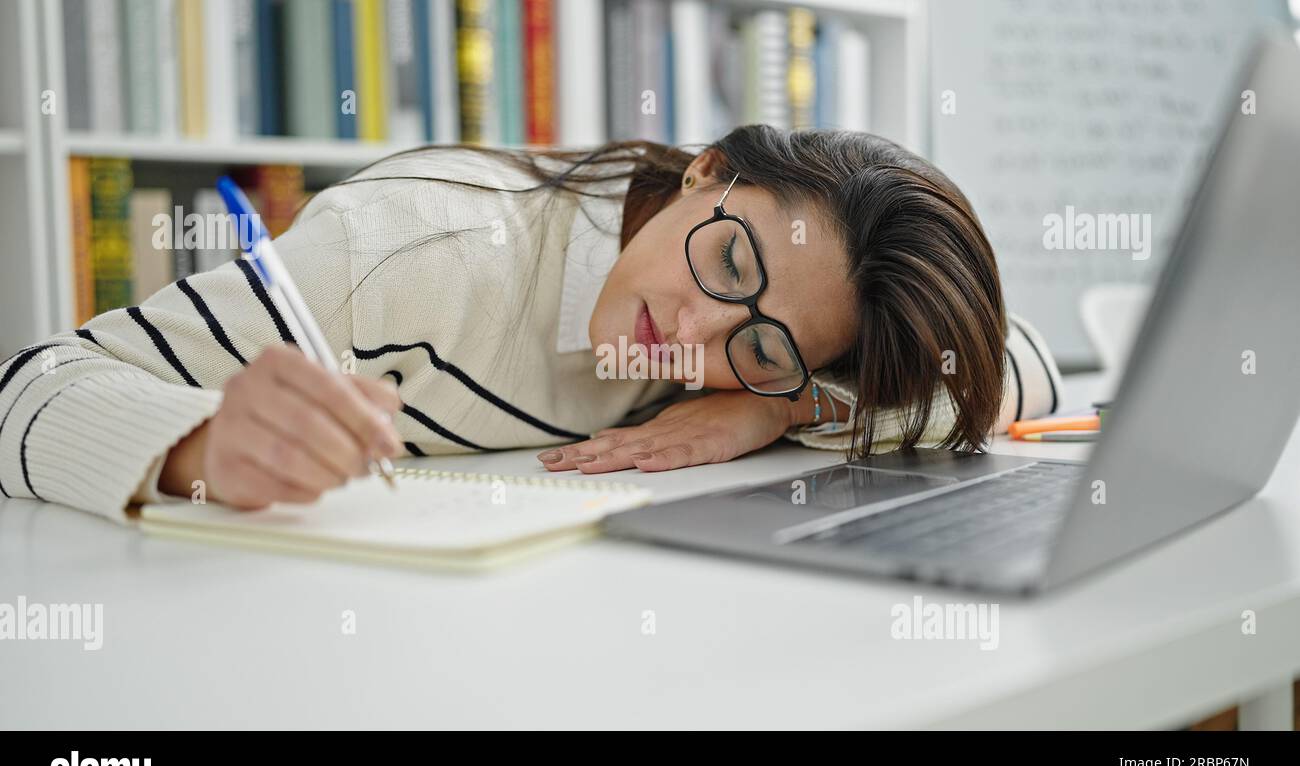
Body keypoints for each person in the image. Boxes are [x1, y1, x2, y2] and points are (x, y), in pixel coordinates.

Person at [0, 125, 1058, 522]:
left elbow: (1018, 371)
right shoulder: (404, 250)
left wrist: (768, 412)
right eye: (730, 257)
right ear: (707, 172)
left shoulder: (761, 374)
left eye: (762, 339)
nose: (692, 328)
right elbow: (30, 383)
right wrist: (196, 447)